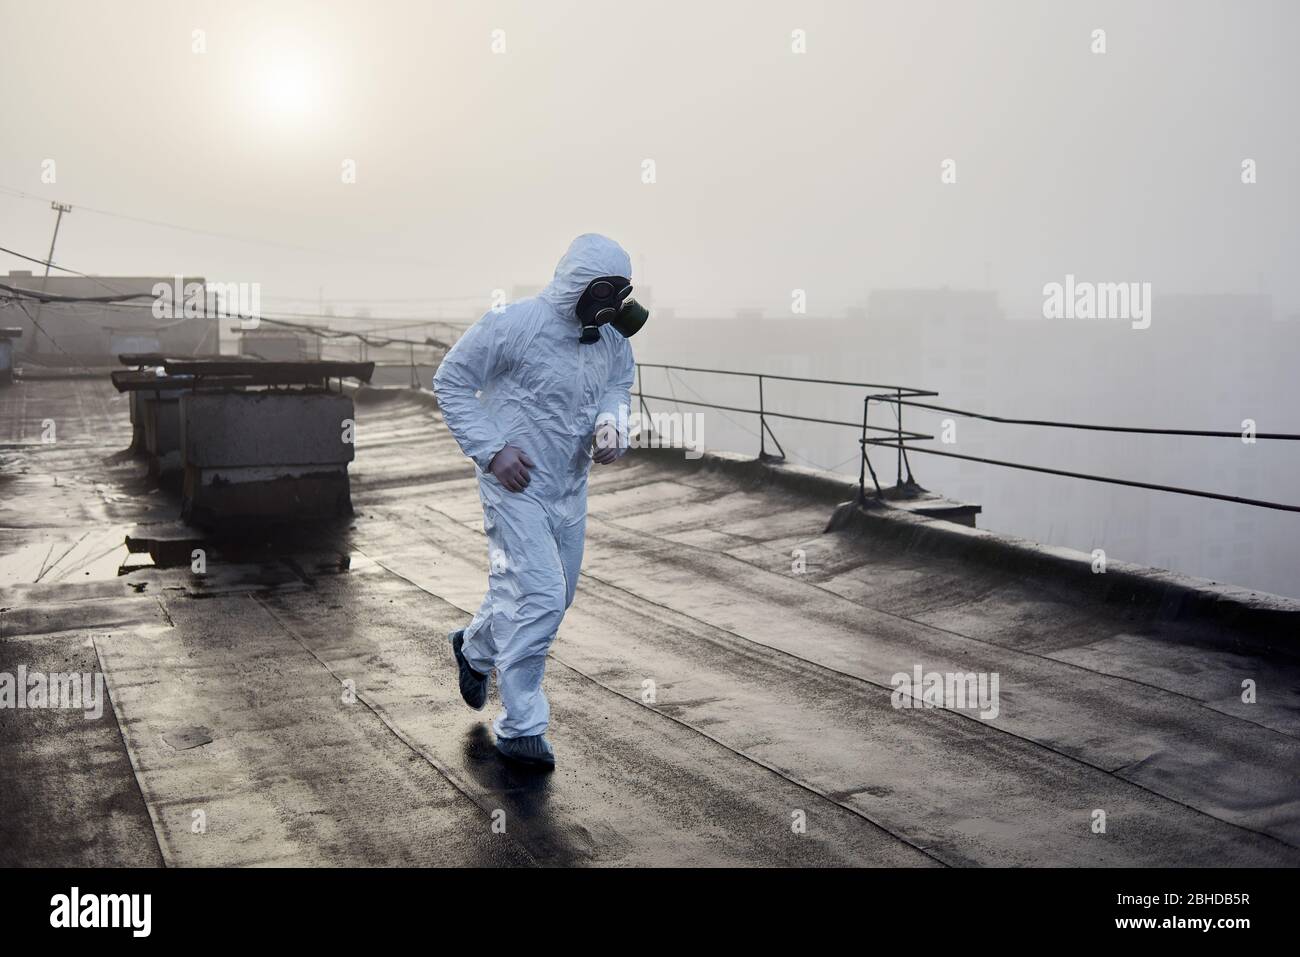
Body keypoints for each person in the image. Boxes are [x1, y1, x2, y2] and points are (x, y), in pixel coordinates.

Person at [432, 234, 648, 769]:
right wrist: (492, 450)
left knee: (554, 594)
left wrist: (612, 424)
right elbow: (452, 381)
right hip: (515, 485)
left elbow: (618, 386)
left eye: (621, 291)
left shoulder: (611, 338)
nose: (614, 300)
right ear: (578, 284)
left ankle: (475, 648)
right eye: (605, 289)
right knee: (544, 596)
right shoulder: (514, 324)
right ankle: (522, 726)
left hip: (570, 488)